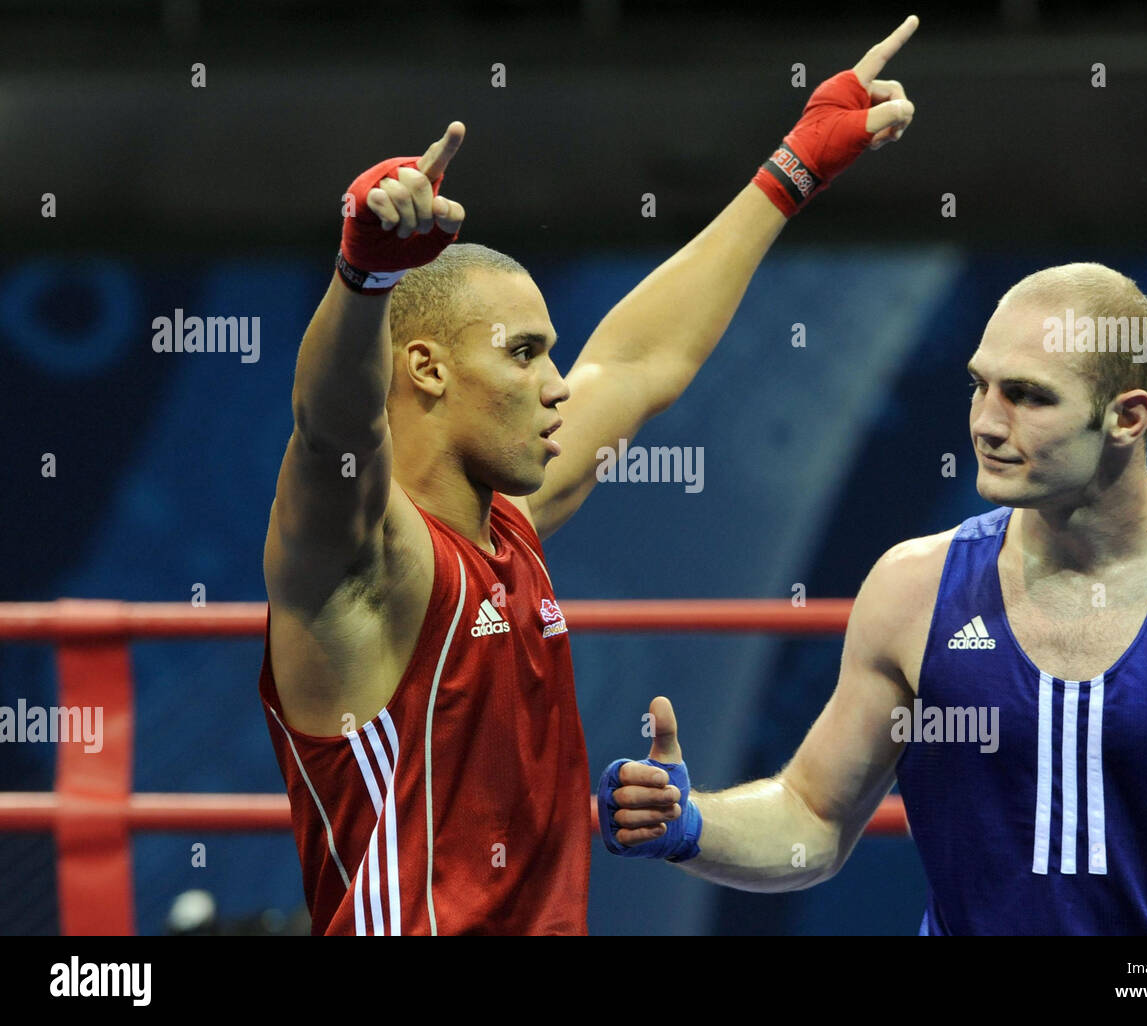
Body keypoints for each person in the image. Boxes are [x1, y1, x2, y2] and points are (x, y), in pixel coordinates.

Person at [257, 18, 921, 934]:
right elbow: (327, 429)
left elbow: (643, 361)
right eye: (524, 354)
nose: (556, 385)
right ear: (426, 369)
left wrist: (794, 169)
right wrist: (362, 274)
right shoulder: (364, 566)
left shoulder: (512, 530)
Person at [599, 262, 1147, 935]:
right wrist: (686, 823)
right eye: (979, 386)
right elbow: (812, 818)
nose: (987, 424)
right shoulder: (914, 588)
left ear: (1127, 417)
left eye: (1027, 395)